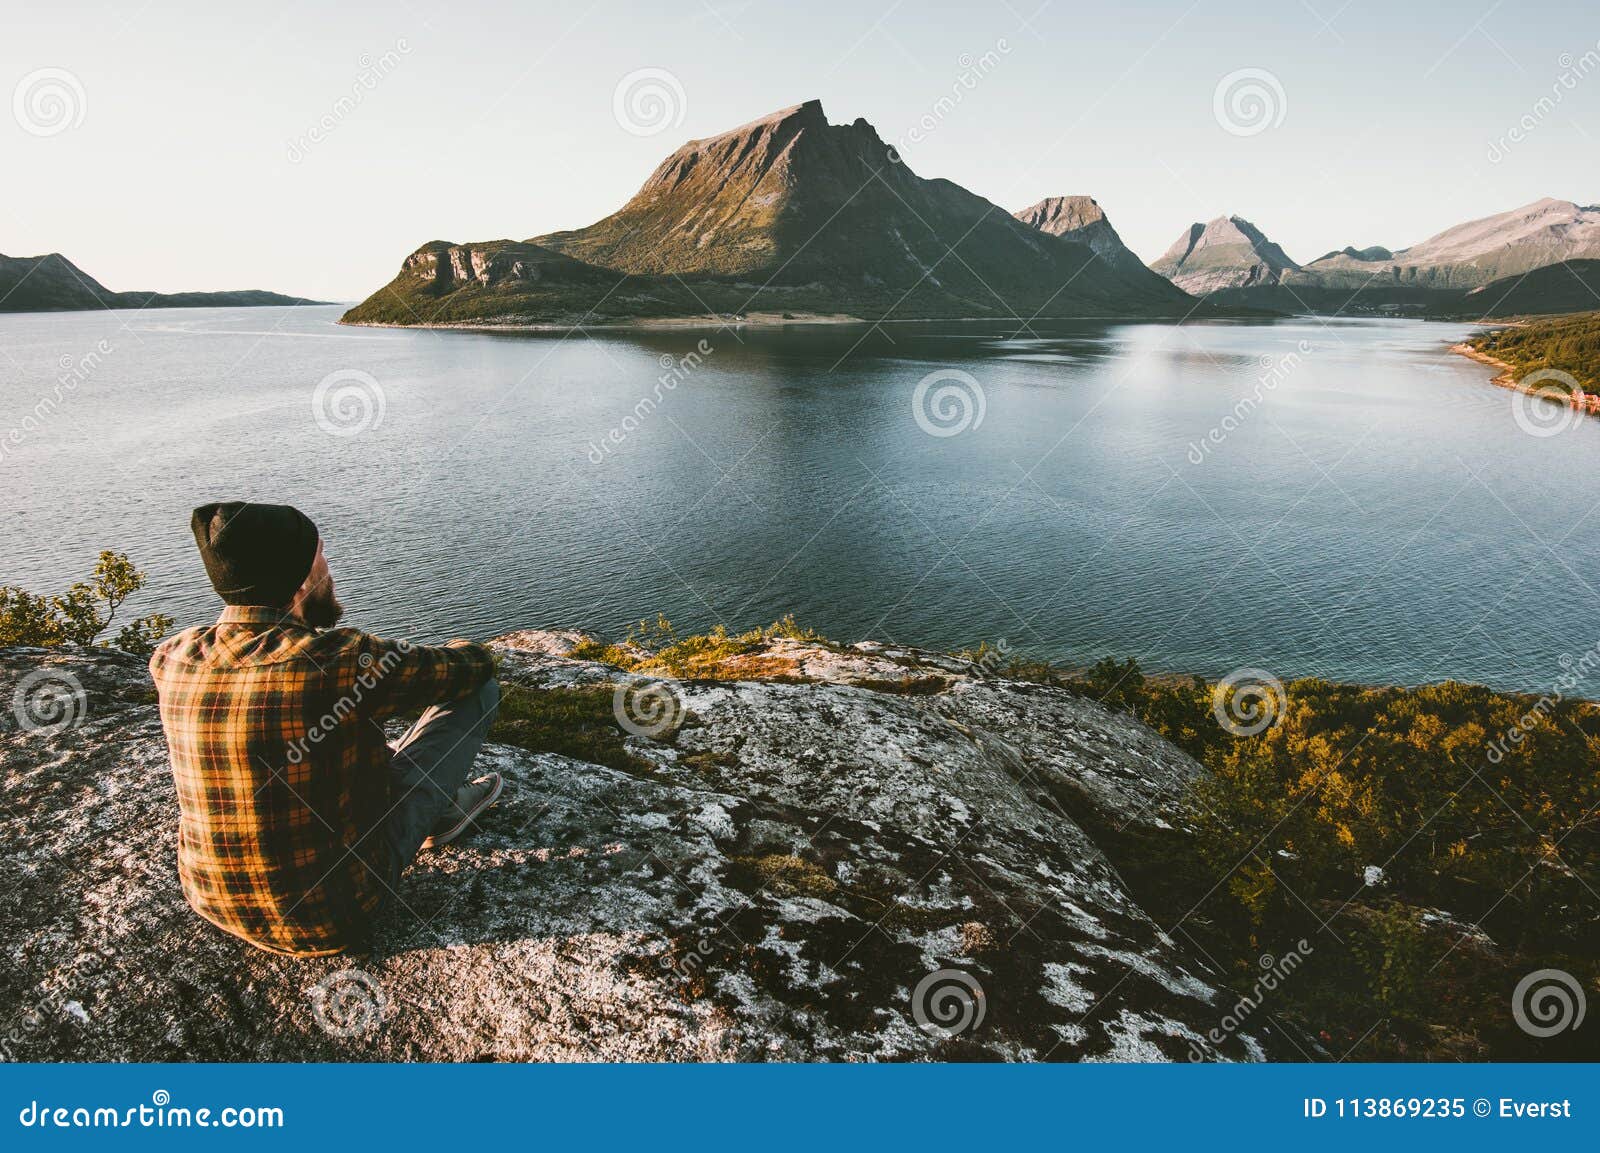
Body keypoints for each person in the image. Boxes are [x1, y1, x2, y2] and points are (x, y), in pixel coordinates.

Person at [148, 501, 502, 956]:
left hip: (211, 901)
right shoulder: (339, 658)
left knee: (328, 741)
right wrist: (460, 646)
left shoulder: (172, 656)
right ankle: (437, 809)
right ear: (299, 579)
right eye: (322, 558)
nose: (329, 570)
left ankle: (441, 805)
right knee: (481, 693)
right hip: (338, 914)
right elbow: (470, 668)